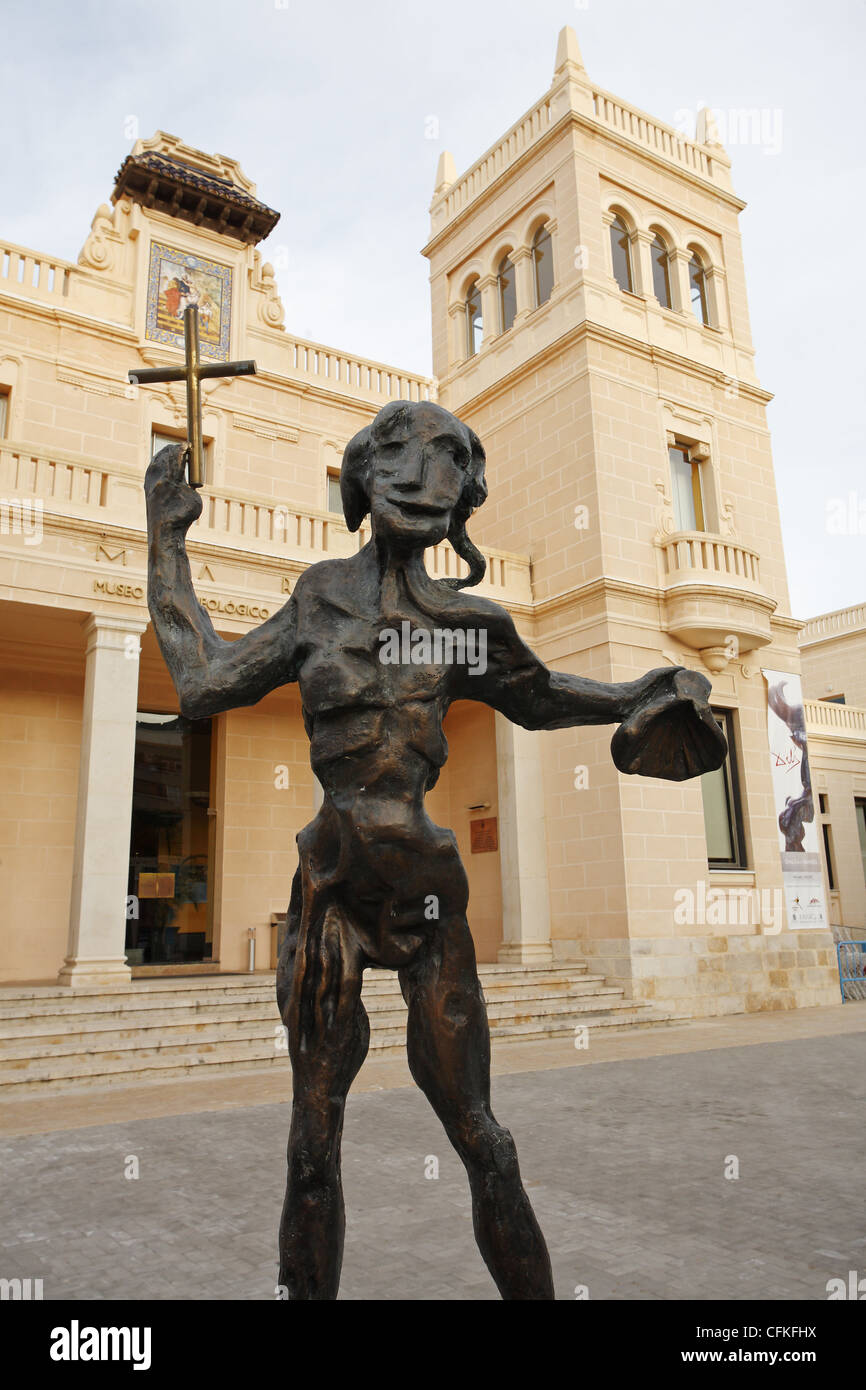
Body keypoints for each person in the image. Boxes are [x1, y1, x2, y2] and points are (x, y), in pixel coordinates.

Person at [144, 399, 726, 1300]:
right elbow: (201, 682)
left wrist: (652, 691)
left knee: (485, 1140)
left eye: (446, 465)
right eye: (404, 459)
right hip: (330, 892)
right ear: (363, 479)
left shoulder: (468, 629)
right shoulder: (318, 600)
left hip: (422, 896)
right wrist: (166, 543)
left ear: (460, 507)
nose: (425, 480)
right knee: (310, 1147)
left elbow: (544, 696)